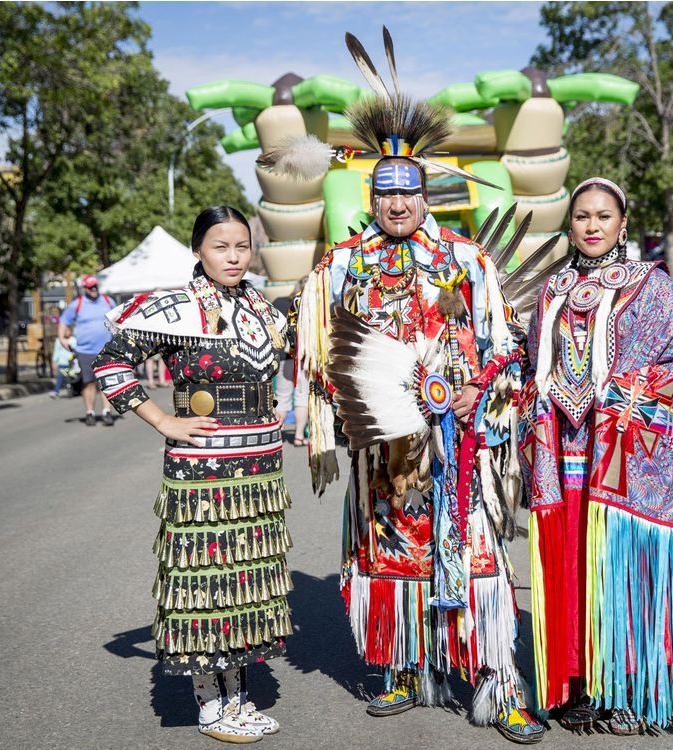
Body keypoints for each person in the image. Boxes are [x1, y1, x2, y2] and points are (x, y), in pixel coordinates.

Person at [282, 29, 544, 744]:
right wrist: (339, 406)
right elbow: (318, 352)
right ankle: (405, 668)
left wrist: (478, 391)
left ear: (427, 196)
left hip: (458, 443)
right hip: (386, 453)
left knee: (478, 558)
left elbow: (506, 348)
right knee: (389, 554)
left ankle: (499, 682)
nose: (397, 204)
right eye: (384, 192)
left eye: (409, 193)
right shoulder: (342, 265)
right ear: (372, 193)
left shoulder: (466, 261)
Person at [520, 178, 673, 735]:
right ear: (570, 223)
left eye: (603, 216)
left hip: (624, 460)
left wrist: (636, 389)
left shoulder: (651, 288)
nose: (591, 225)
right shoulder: (552, 290)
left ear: (622, 223)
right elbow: (533, 363)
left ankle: (626, 687)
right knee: (572, 570)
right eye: (581, 216)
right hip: (562, 459)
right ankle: (577, 682)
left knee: (618, 568)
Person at [94, 206, 292, 744]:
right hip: (202, 472)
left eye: (241, 246)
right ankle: (209, 702)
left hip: (260, 470)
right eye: (220, 246)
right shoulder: (173, 307)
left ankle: (239, 696)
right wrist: (163, 420)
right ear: (198, 251)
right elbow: (110, 363)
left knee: (246, 584)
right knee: (206, 582)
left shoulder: (263, 309)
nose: (233, 256)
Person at [58, 275, 116, 426]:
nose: (94, 289)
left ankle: (107, 411)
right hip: (85, 350)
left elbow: (119, 319)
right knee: (89, 382)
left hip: (107, 349)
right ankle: (89, 412)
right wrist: (62, 339)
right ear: (85, 288)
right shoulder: (77, 304)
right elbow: (63, 322)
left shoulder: (108, 301)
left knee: (106, 382)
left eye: (95, 286)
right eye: (90, 287)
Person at [272, 279, 308, 447]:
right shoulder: (314, 305)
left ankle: (276, 433)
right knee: (302, 397)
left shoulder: (280, 302)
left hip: (284, 356)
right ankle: (299, 436)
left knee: (282, 397)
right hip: (305, 357)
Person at [50, 334, 76, 398]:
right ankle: (56, 392)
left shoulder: (73, 339)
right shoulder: (58, 340)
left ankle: (72, 390)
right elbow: (56, 352)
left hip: (72, 363)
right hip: (62, 363)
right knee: (59, 377)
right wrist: (54, 361)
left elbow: (75, 350)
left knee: (71, 377)